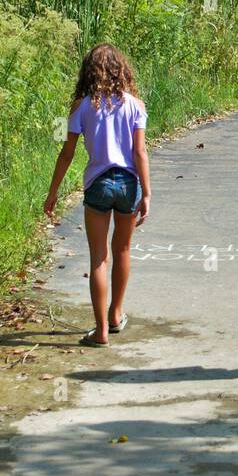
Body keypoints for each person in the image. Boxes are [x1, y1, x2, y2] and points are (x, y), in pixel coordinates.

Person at [44, 43, 150, 346]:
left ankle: (101, 330)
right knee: (123, 251)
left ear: (89, 71)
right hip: (129, 184)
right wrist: (147, 194)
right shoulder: (135, 105)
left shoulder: (82, 106)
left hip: (98, 184)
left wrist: (53, 193)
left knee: (99, 258)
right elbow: (140, 152)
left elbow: (67, 154)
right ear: (121, 69)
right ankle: (116, 315)